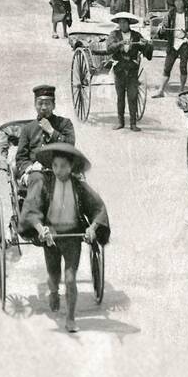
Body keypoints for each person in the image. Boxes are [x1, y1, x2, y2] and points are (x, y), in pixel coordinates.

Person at [19, 142, 110, 333]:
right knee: (54, 275)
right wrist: (39, 227)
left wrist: (92, 227)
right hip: (51, 236)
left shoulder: (79, 187)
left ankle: (70, 318)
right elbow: (31, 208)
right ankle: (53, 291)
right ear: (51, 167)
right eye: (55, 166)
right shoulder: (45, 184)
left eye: (63, 166)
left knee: (70, 278)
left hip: (72, 237)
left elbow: (98, 208)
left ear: (71, 167)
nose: (59, 170)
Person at [13, 84, 76, 184]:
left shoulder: (65, 124)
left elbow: (70, 147)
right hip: (35, 173)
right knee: (38, 180)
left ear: (54, 105)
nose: (43, 107)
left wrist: (52, 131)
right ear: (35, 105)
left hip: (60, 172)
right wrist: (30, 168)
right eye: (40, 103)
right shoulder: (28, 129)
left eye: (47, 103)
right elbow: (21, 157)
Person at [107, 12, 152, 131]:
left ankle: (133, 123)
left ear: (129, 23)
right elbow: (109, 48)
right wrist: (120, 43)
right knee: (120, 96)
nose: (122, 25)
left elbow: (146, 51)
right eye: (120, 22)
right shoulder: (114, 34)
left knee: (132, 96)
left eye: (124, 22)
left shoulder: (136, 35)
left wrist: (147, 45)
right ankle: (120, 122)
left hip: (132, 68)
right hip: (119, 68)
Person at [154, 0, 188, 97]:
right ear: (174, 3)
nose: (178, 3)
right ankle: (161, 90)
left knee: (183, 66)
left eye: (180, 0)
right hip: (173, 42)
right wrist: (162, 30)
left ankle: (181, 90)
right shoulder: (170, 15)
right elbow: (163, 27)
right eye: (176, 1)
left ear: (184, 2)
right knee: (167, 66)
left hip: (184, 42)